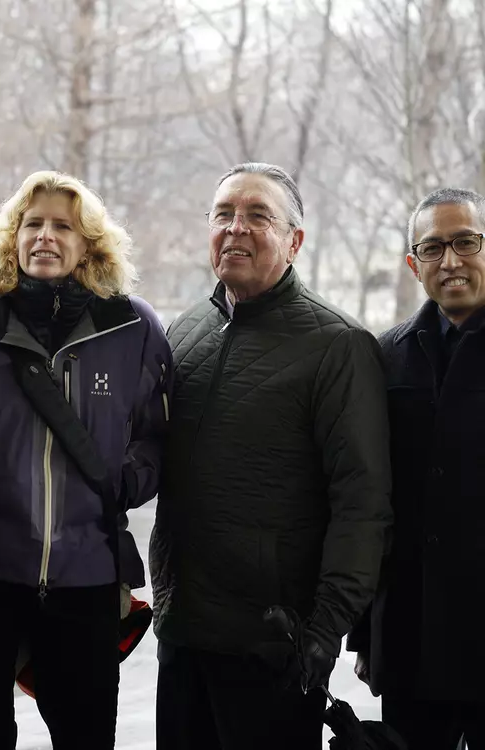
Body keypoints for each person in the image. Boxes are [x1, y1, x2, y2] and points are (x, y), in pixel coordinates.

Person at [0, 170, 172, 750]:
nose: (45, 236)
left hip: (84, 575)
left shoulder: (133, 328)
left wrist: (123, 481)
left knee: (86, 737)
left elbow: (158, 433)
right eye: (31, 223)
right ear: (10, 238)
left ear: (90, 243)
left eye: (63, 225)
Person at [150, 162, 393, 750]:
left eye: (258, 215)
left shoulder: (338, 346)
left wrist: (326, 628)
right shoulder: (183, 333)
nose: (236, 228)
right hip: (182, 632)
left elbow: (362, 505)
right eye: (224, 215)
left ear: (294, 241)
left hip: (275, 642)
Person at [347, 187, 485, 748]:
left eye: (466, 242)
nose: (450, 260)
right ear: (413, 264)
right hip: (412, 635)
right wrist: (364, 635)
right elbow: (367, 499)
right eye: (432, 249)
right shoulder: (385, 356)